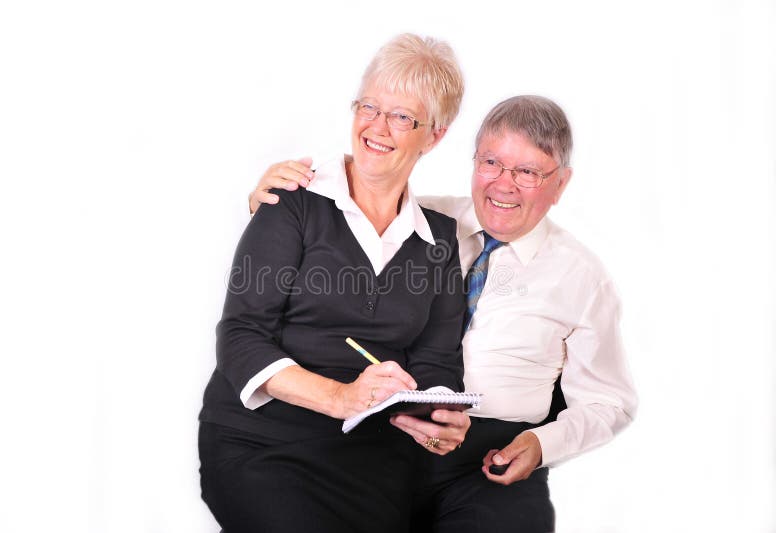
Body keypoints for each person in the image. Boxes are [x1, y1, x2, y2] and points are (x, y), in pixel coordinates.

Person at [249, 95, 638, 532]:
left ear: (561, 183)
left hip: (489, 461)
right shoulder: (420, 221)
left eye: (527, 172)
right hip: (380, 436)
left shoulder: (583, 276)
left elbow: (608, 402)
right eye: (491, 163)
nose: (503, 185)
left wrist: (540, 443)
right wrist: (278, 197)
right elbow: (338, 216)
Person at [197, 33, 470, 533]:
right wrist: (341, 397)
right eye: (369, 105)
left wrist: (438, 420)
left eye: (402, 116)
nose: (376, 126)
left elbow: (436, 363)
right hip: (262, 443)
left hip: (370, 455)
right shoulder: (294, 200)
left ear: (434, 136)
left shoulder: (440, 239)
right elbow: (240, 338)